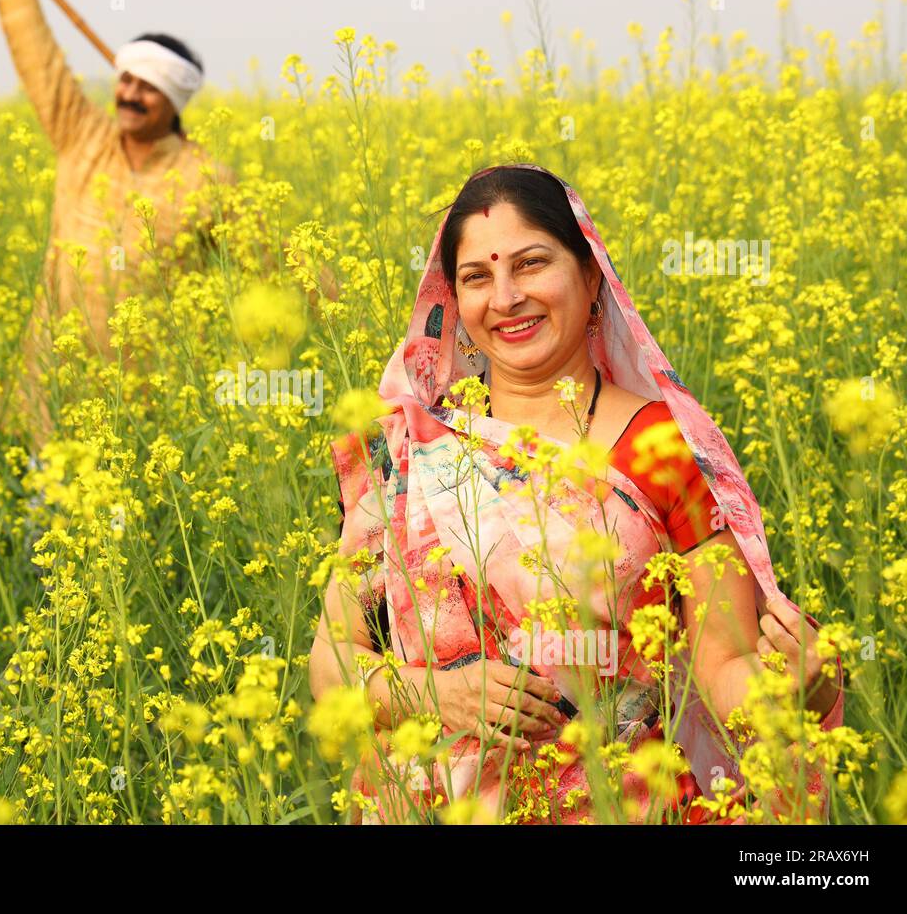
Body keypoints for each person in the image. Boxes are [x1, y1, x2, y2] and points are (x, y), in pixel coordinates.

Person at [309, 164, 845, 825]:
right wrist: (434, 695)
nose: (505, 297)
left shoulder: (663, 447)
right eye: (477, 276)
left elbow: (724, 665)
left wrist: (801, 687)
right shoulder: (405, 446)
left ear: (590, 276)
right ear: (455, 302)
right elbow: (331, 668)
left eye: (532, 264)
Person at [0, 0, 235, 453]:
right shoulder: (81, 138)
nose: (130, 95)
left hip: (146, 406)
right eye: (126, 81)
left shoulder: (206, 180)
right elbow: (37, 55)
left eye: (148, 88)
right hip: (54, 379)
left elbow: (280, 265)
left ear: (174, 100)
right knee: (42, 521)